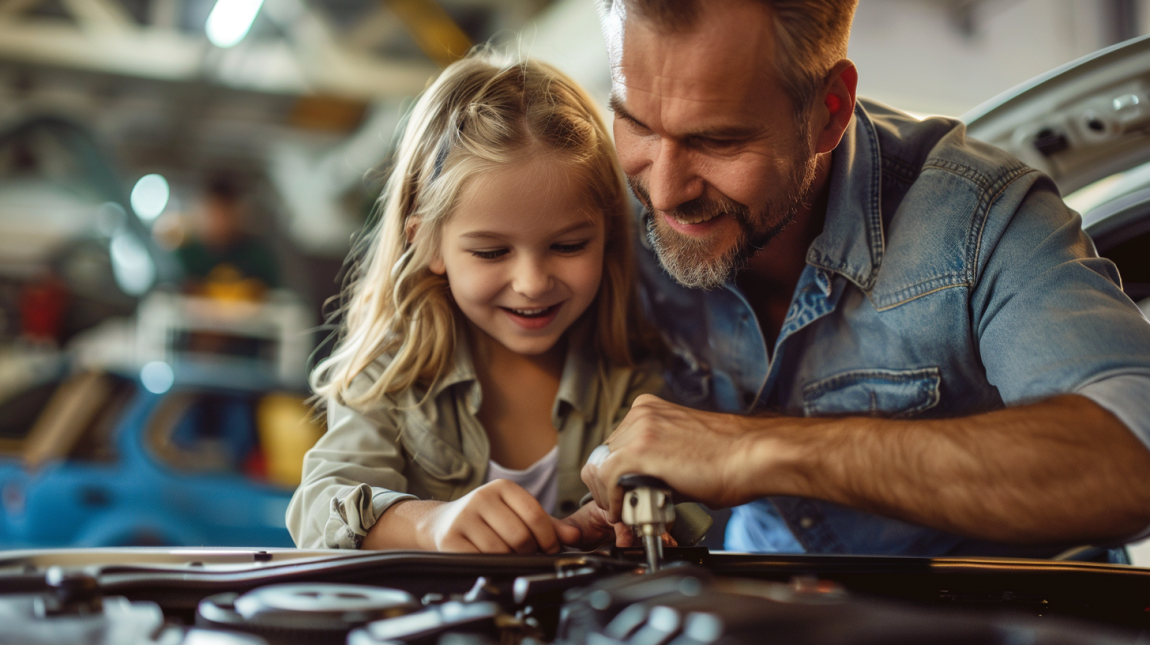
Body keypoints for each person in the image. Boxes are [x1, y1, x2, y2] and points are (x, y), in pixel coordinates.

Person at [581, 0, 1150, 558]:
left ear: (828, 111)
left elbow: (1133, 457)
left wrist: (756, 450)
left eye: (716, 141)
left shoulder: (980, 217)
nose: (664, 193)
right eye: (636, 124)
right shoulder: (600, 228)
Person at [286, 51, 662, 553]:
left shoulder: (635, 376)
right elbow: (317, 508)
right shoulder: (390, 371)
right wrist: (430, 524)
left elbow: (683, 511)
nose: (531, 283)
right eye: (491, 251)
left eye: (569, 245)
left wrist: (630, 521)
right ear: (428, 244)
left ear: (608, 234)